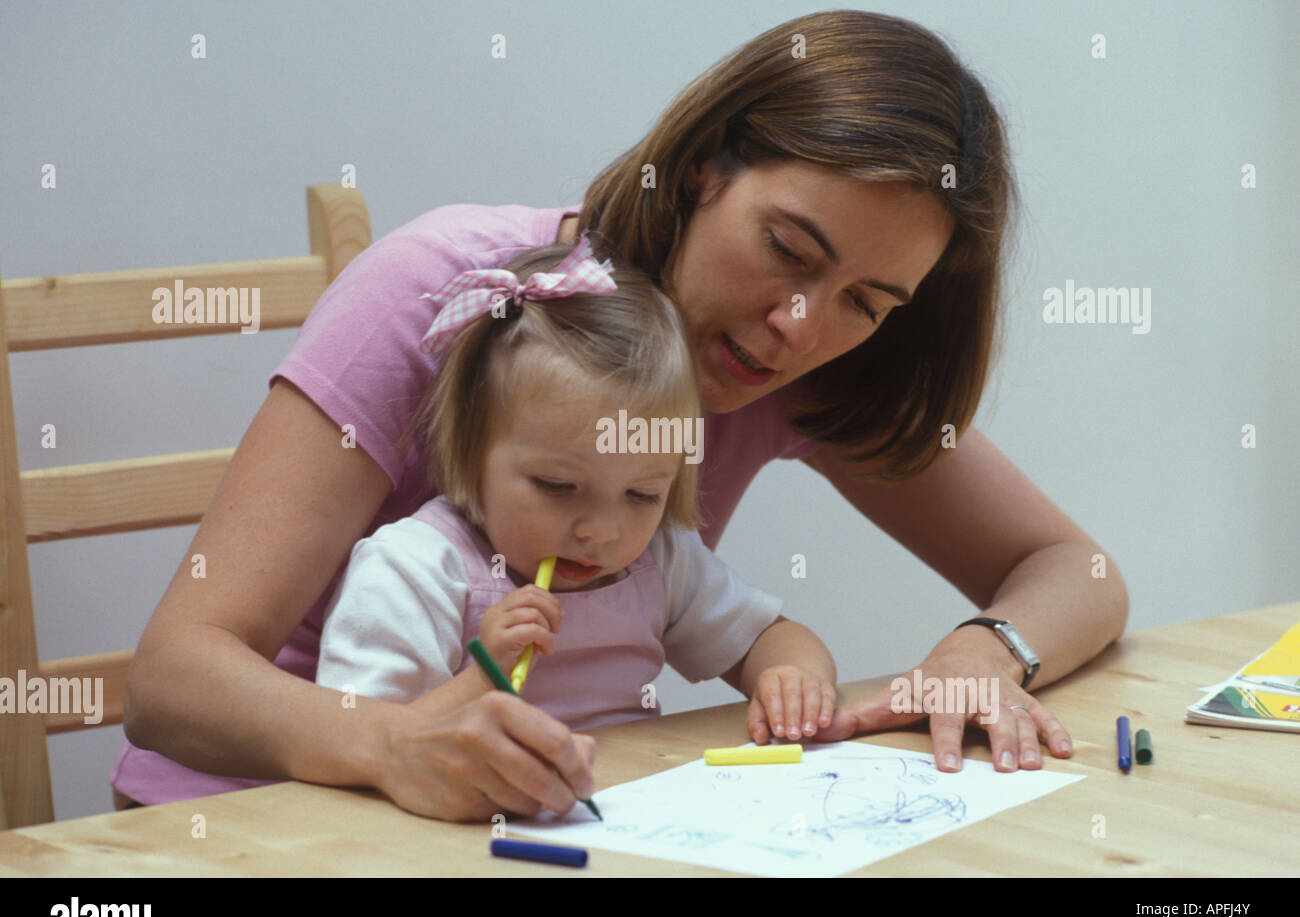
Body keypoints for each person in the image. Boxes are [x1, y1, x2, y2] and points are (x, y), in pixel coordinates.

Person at [117, 10, 1128, 821]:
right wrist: (392, 742)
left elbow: (1074, 572)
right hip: (257, 823)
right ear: (701, 168)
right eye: (787, 248)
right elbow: (173, 679)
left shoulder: (803, 375)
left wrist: (974, 656)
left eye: (866, 303)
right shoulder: (444, 292)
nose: (795, 327)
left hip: (521, 822)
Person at [314, 239, 838, 747]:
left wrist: (793, 677)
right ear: (471, 454)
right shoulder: (416, 569)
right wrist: (485, 675)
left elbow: (767, 638)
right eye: (559, 486)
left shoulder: (660, 558)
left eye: (641, 494)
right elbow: (365, 748)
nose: (601, 531)